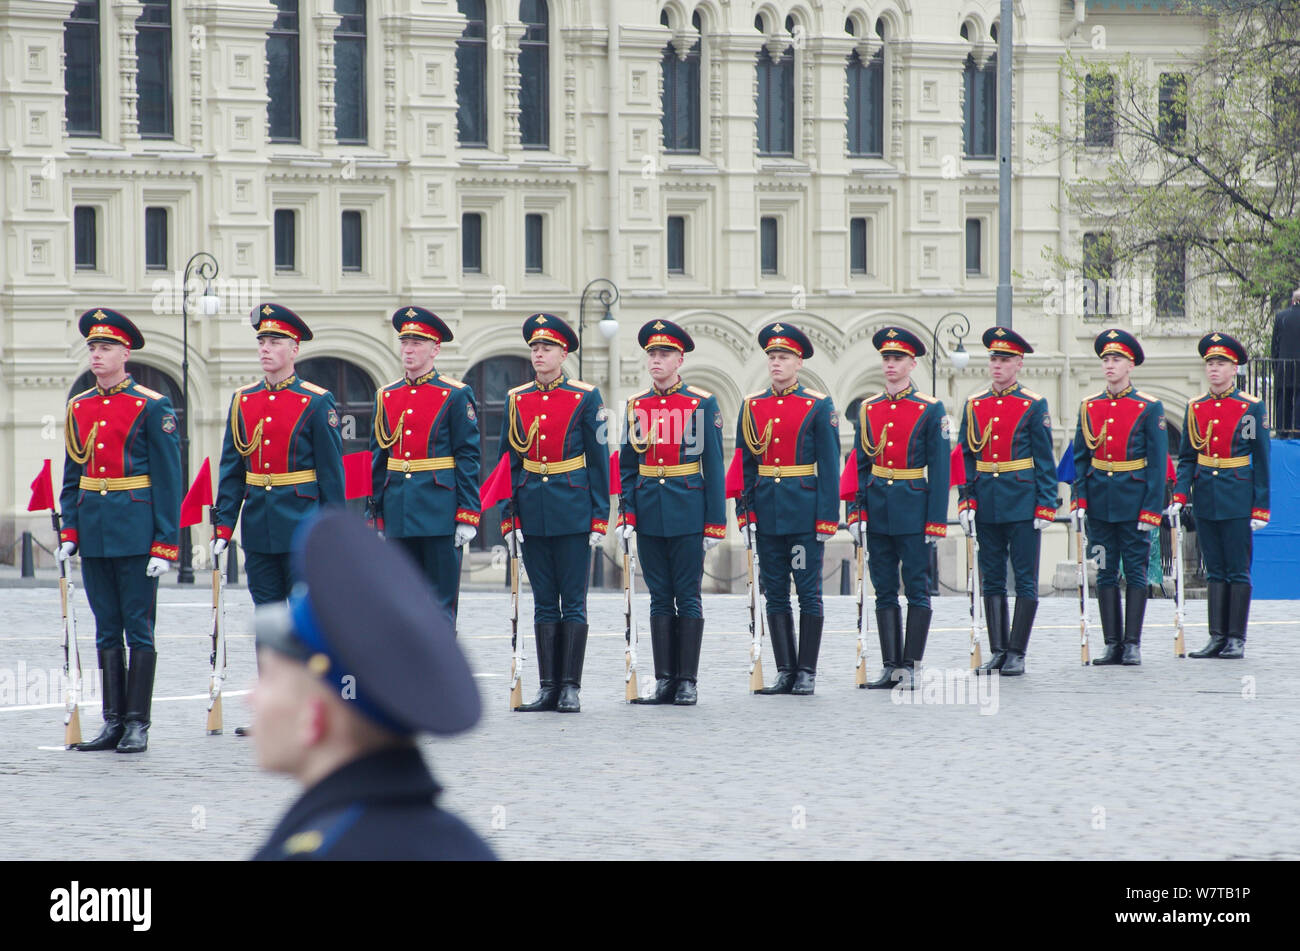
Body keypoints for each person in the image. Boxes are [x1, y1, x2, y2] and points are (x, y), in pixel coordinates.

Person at [250, 511, 495, 860]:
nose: (250, 697)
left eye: (269, 680)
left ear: (315, 718)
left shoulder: (313, 851)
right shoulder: (466, 846)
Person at [213, 303, 345, 735]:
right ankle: (274, 709)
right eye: (262, 342)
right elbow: (232, 470)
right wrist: (223, 526)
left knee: (305, 622)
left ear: (294, 348)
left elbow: (331, 475)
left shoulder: (315, 401)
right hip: (260, 527)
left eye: (275, 342)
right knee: (268, 620)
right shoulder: (243, 401)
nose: (266, 349)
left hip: (303, 525)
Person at [58, 308, 182, 753]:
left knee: (138, 628)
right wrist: (69, 530)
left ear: (124, 353)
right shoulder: (80, 406)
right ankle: (111, 721)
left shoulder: (151, 405)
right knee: (106, 629)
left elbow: (169, 481)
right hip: (94, 530)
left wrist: (166, 544)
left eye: (105, 347)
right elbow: (73, 475)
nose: (97, 354)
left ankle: (137, 723)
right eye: (92, 347)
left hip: (135, 529)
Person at [499, 313, 610, 713]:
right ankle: (548, 686)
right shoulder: (518, 398)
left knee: (573, 602)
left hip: (573, 509)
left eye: (546, 348)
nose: (539, 354)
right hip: (531, 509)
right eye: (534, 348)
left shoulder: (586, 397)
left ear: (564, 353)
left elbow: (599, 462)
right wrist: (508, 518)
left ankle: (570, 687)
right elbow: (508, 464)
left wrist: (600, 518)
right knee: (544, 601)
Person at [617, 319, 726, 705]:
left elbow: (713, 467)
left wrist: (715, 524)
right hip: (648, 510)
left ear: (680, 359)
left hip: (687, 509)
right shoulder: (636, 406)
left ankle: (687, 681)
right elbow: (628, 466)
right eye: (652, 354)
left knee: (688, 595)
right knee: (659, 596)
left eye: (664, 354)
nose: (657, 360)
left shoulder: (700, 403)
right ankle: (664, 680)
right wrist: (626, 515)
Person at [736, 322, 840, 695]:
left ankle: (807, 670)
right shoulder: (752, 405)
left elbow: (830, 466)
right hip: (767, 513)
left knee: (807, 591)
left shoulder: (817, 404)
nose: (776, 363)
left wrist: (828, 518)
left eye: (784, 357)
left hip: (803, 514)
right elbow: (746, 465)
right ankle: (785, 670)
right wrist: (744, 514)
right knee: (775, 591)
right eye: (772, 357)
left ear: (799, 362)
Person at [849, 327, 950, 690]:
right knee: (885, 588)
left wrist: (936, 521)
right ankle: (890, 665)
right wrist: (856, 513)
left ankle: (911, 665)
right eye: (886, 359)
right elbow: (860, 464)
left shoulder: (930, 408)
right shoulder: (869, 408)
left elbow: (940, 470)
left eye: (898, 359)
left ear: (912, 363)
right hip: (878, 507)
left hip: (913, 505)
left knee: (917, 590)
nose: (890, 365)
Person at [370, 307, 481, 626]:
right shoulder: (386, 396)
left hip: (439, 513)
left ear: (435, 349)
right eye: (405, 341)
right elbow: (379, 460)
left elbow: (468, 458)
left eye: (417, 343)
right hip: (397, 513)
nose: (408, 349)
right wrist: (374, 514)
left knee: (439, 606)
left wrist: (467, 513)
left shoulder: (456, 395)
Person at [955, 327, 1057, 676]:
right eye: (993, 359)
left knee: (1025, 580)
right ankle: (998, 650)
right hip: (987, 500)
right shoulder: (975, 404)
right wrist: (965, 501)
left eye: (1004, 360)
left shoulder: (1032, 404)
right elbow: (967, 456)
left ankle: (1017, 651)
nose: (996, 366)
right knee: (993, 578)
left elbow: (1044, 459)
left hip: (1022, 500)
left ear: (1019, 363)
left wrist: (1046, 504)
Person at [1168, 332, 1270, 659]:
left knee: (1237, 569)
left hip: (1237, 494)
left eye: (1221, 363)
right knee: (1214, 569)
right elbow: (1186, 458)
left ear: (1234, 367)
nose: (1214, 369)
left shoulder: (1250, 407)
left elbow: (1262, 460)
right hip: (1207, 496)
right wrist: (1181, 496)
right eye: (1210, 363)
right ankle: (1216, 636)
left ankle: (1236, 637)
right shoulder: (1195, 407)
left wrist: (1260, 508)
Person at [1071, 328, 1167, 667]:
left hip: (1134, 501)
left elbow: (1157, 465)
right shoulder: (1088, 407)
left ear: (1130, 365)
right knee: (1104, 572)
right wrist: (1079, 501)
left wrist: (1151, 509)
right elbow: (1080, 458)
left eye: (1117, 360)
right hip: (1099, 505)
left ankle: (1132, 643)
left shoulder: (1148, 408)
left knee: (1136, 574)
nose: (1110, 366)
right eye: (1106, 360)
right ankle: (1111, 643)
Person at [1270, 287, 1300, 438]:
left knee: (1283, 399)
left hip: (1284, 366)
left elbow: (1275, 345)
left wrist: (1276, 366)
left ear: (1293, 301)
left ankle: (1282, 431)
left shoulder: (1281, 316)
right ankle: (1297, 433)